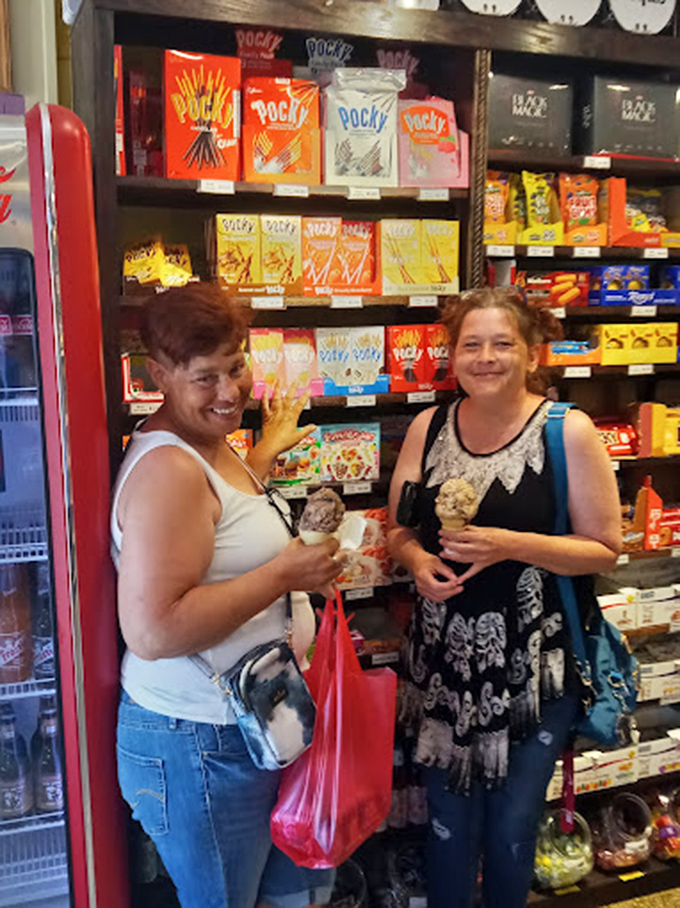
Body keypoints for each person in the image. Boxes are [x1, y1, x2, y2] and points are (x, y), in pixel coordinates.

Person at [387, 287, 622, 908]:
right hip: (441, 666)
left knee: (513, 827)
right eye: (471, 345)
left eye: (502, 344)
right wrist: (415, 561)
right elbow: (399, 528)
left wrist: (511, 544)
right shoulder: (429, 426)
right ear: (452, 354)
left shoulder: (566, 430)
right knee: (446, 824)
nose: (485, 358)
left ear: (530, 351)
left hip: (533, 671)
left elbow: (604, 548)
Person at [112, 284, 344, 908]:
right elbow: (154, 631)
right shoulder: (169, 469)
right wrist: (284, 575)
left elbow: (221, 531)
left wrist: (263, 454)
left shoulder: (208, 447)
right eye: (205, 377)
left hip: (244, 725)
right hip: (200, 742)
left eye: (237, 367)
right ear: (158, 374)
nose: (229, 391)